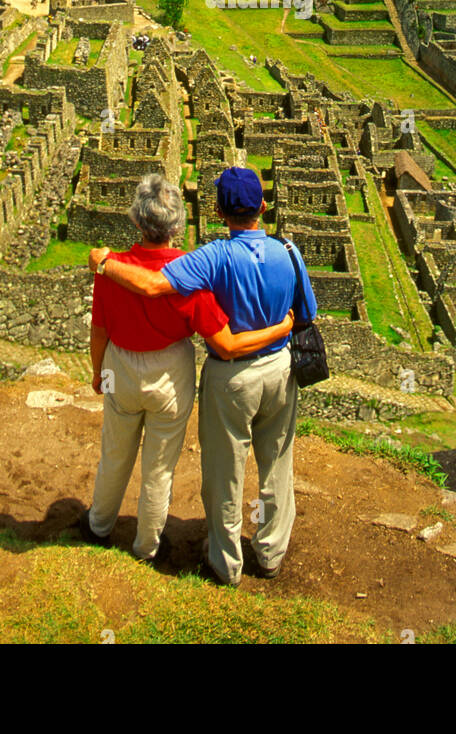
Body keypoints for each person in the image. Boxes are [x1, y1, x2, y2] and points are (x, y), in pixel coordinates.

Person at [95, 166, 316, 586]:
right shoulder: (289, 251)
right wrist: (279, 328)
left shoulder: (213, 258)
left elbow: (153, 285)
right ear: (263, 207)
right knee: (277, 465)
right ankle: (270, 552)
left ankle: (225, 561)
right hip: (279, 371)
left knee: (223, 471)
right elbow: (306, 314)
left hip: (232, 378)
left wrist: (104, 263)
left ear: (217, 210)